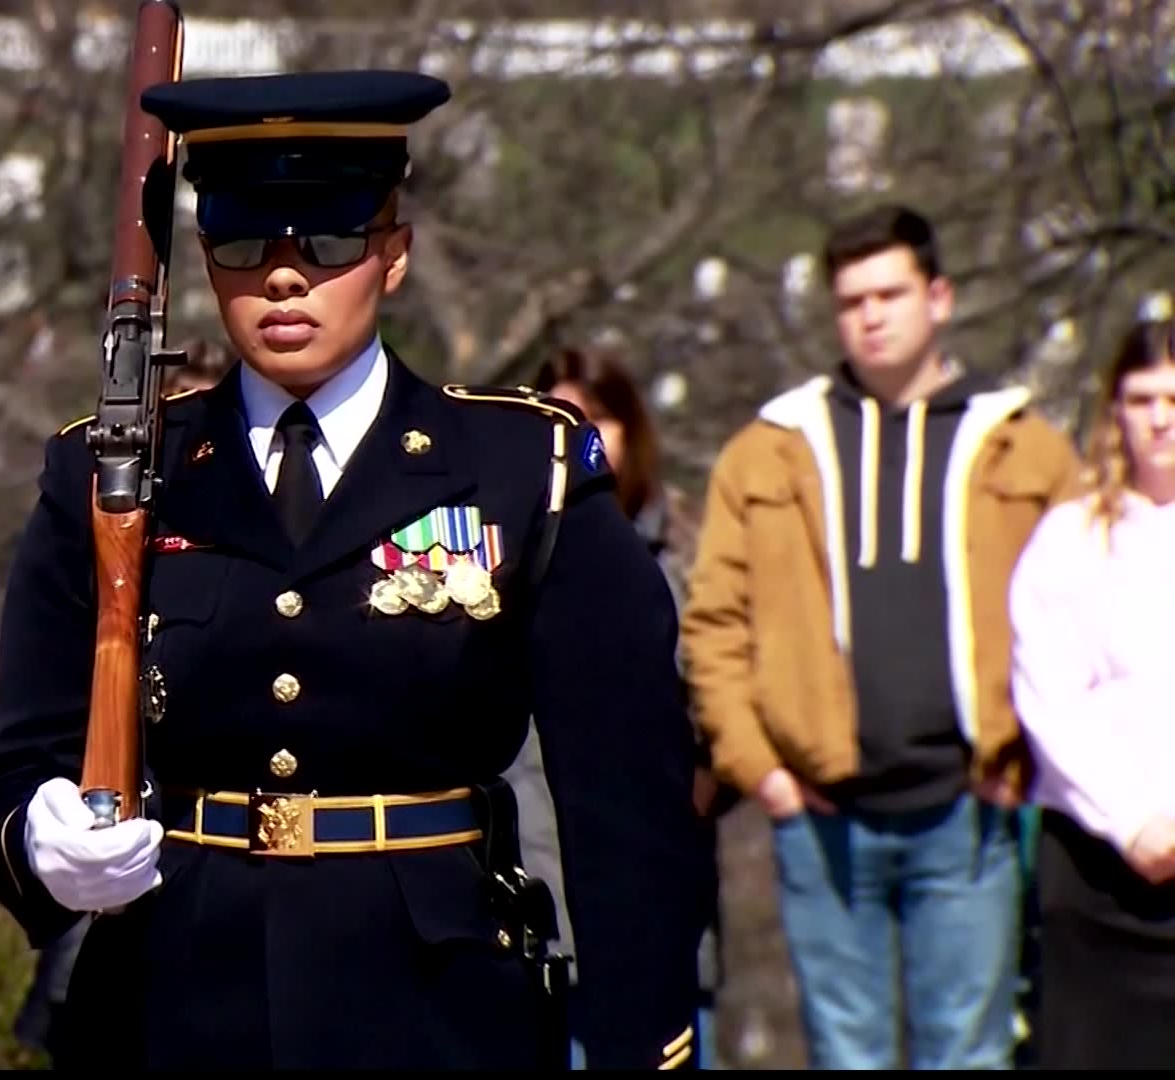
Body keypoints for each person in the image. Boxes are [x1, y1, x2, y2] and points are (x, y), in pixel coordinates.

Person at [0, 70, 705, 1070]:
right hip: (173, 1001)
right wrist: (45, 845)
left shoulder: (518, 470)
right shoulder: (116, 478)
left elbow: (627, 804)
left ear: (392, 254)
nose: (282, 277)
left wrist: (635, 1043)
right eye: (242, 243)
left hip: (434, 1006)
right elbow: (24, 763)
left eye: (325, 242)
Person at [680, 204, 1082, 1069]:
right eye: (851, 299)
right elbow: (715, 624)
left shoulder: (1028, 448)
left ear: (938, 298)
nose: (871, 314)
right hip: (822, 816)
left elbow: (1082, 619)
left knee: (969, 1057)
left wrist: (1025, 765)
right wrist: (766, 774)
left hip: (972, 812)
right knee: (846, 1055)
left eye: (891, 293)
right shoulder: (769, 450)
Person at [503, 345, 725, 1068]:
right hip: (522, 899)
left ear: (631, 429)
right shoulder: (491, 546)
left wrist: (708, 781)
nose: (578, 436)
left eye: (596, 418)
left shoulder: (685, 549)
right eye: (560, 418)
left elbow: (726, 684)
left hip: (648, 897)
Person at [1008, 318, 1175, 1069]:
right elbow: (1049, 696)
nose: (1160, 418)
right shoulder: (1070, 540)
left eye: (1174, 397)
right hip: (1098, 875)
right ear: (1115, 410)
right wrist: (1132, 819)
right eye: (1142, 399)